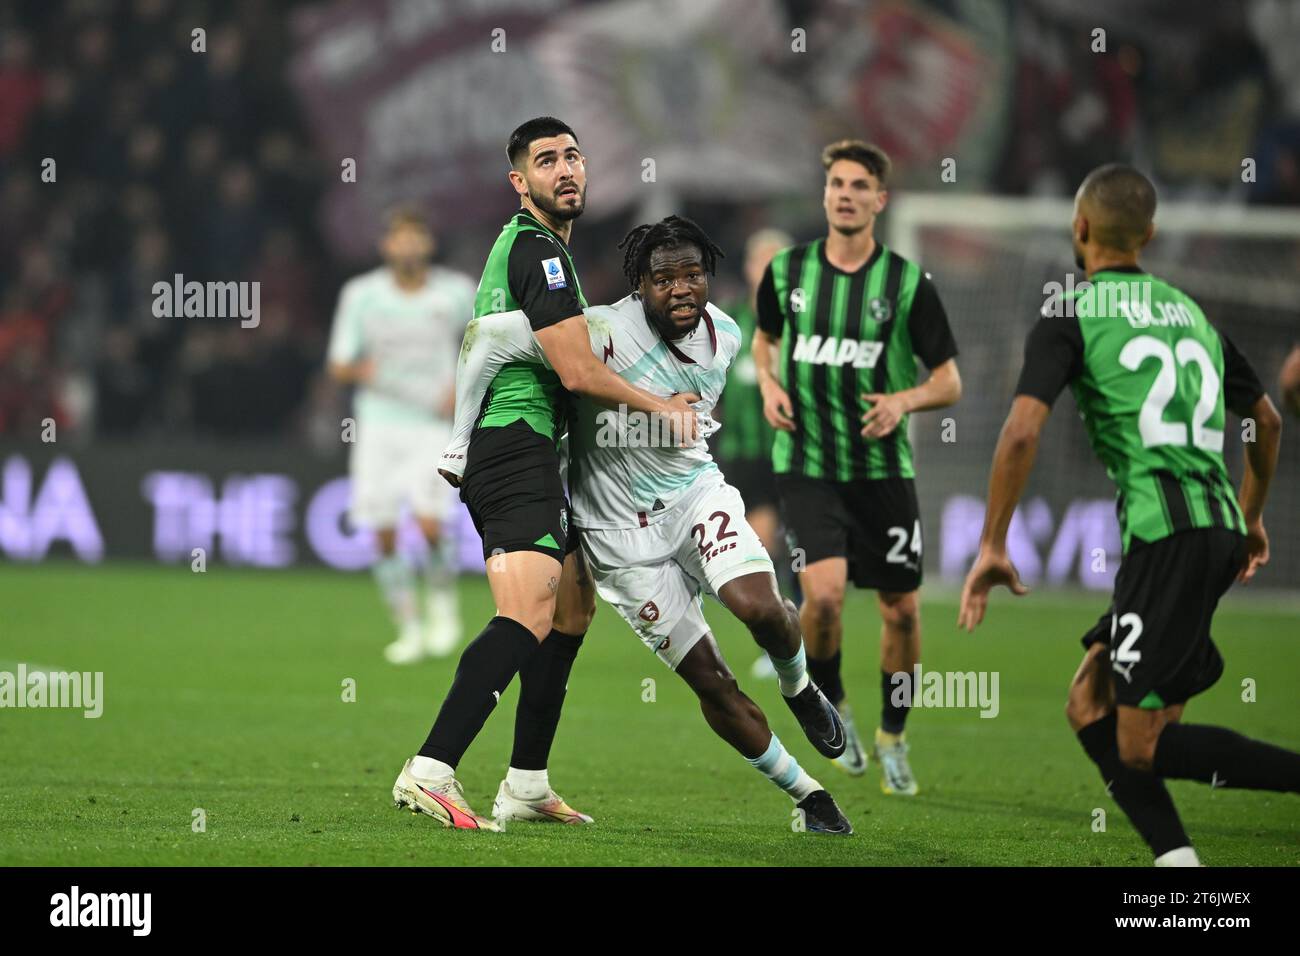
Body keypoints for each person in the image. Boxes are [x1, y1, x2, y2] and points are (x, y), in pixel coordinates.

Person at [959, 163, 1298, 866]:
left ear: (1078, 228)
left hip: (1165, 538)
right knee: (1089, 700)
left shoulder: (1070, 311)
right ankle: (1178, 865)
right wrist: (1252, 516)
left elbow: (1022, 430)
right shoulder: (1192, 314)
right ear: (1148, 234)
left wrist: (993, 541)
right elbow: (1266, 420)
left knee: (1137, 745)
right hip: (1214, 531)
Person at [392, 117, 698, 831]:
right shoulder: (537, 251)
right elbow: (576, 370)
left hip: (533, 446)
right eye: (546, 160)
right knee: (528, 609)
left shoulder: (547, 250)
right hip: (510, 444)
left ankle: (526, 781)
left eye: (573, 156)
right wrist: (664, 407)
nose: (565, 169)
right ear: (519, 182)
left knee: (570, 609)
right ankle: (432, 768)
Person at [752, 140, 961, 791]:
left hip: (882, 473)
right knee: (826, 596)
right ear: (825, 194)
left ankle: (894, 735)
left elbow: (949, 382)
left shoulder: (905, 284)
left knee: (900, 610)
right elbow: (764, 341)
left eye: (858, 185)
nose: (845, 193)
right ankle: (834, 708)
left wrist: (904, 399)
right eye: (836, 183)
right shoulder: (786, 273)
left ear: (879, 199)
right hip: (809, 464)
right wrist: (768, 385)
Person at [327, 207, 472, 664]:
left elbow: (484, 342)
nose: (407, 246)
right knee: (384, 533)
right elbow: (339, 363)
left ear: (428, 244)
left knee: (430, 525)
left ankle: (443, 608)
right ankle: (407, 626)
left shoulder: (455, 293)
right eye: (399, 238)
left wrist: (461, 385)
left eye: (416, 237)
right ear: (386, 246)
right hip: (378, 425)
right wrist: (360, 369)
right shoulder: (362, 295)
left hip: (433, 426)